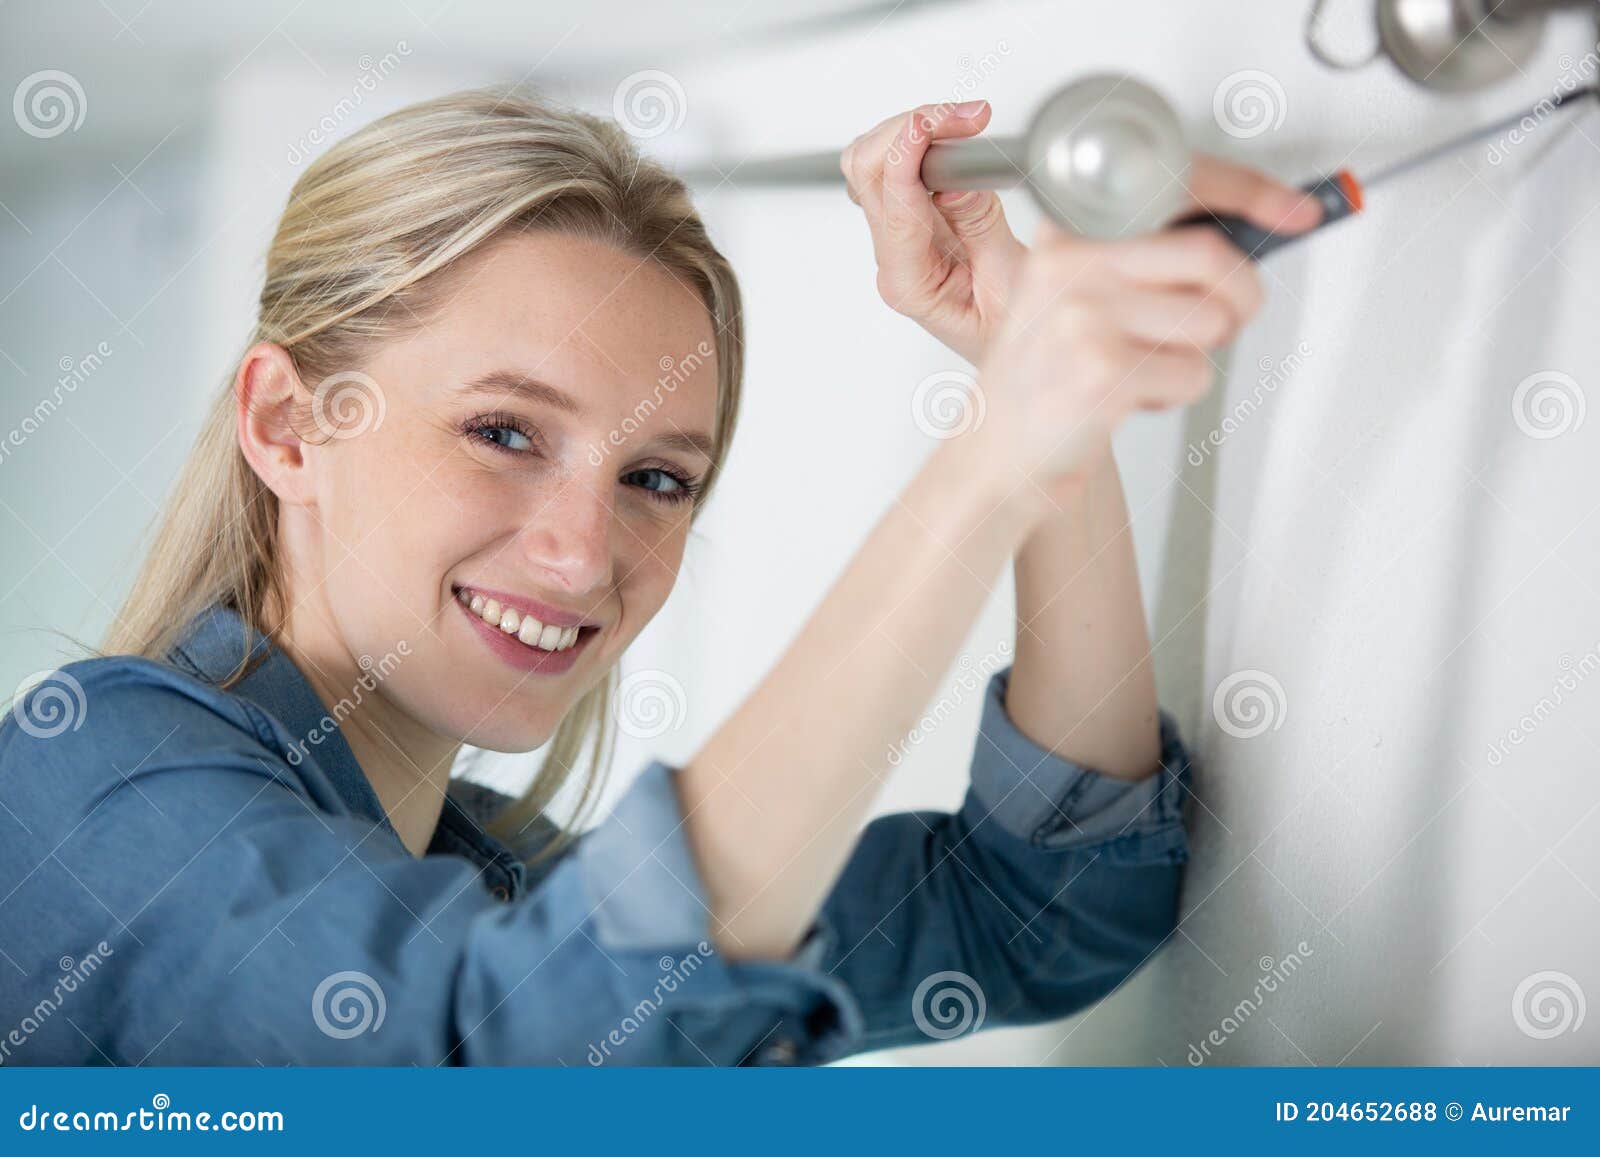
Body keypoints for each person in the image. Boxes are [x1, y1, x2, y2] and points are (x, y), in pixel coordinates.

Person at [0, 88, 1321, 1065]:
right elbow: (499, 1060)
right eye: (503, 431)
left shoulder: (492, 876)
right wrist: (983, 468)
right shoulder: (88, 771)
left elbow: (1041, 912)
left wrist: (1046, 431)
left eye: (657, 478)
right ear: (289, 426)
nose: (584, 552)